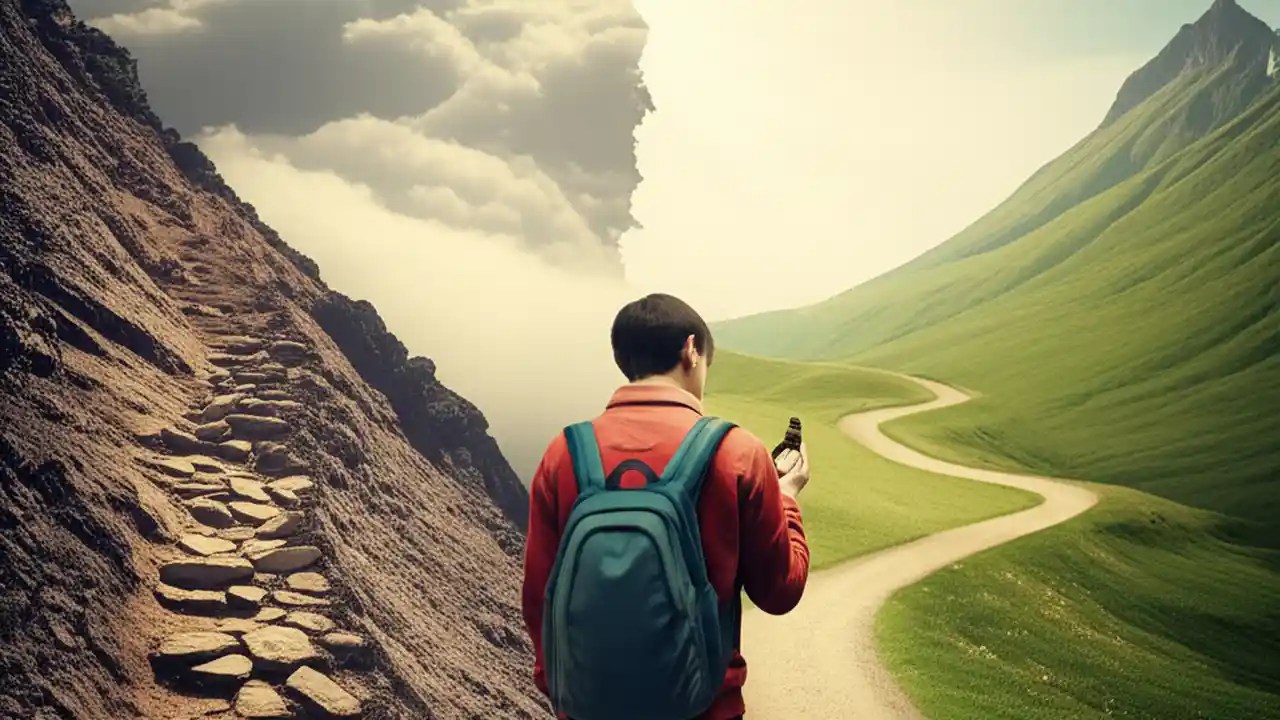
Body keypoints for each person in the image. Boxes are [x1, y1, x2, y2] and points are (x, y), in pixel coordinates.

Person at [522, 293, 811, 720]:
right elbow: (780, 591)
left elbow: (538, 599)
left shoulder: (563, 452)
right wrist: (786, 498)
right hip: (704, 709)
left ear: (623, 359)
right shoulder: (737, 452)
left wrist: (566, 691)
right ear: (691, 350)